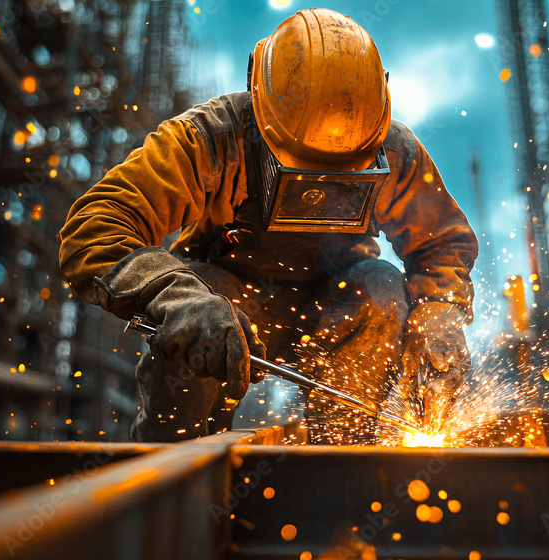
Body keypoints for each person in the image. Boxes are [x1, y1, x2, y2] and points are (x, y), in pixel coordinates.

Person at [59, 8, 477, 444]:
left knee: (381, 293)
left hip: (334, 308)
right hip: (229, 309)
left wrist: (439, 314)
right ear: (261, 122)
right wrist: (175, 298)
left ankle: (342, 466)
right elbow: (95, 226)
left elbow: (441, 245)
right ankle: (172, 465)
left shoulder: (393, 152)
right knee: (198, 310)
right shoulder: (209, 138)